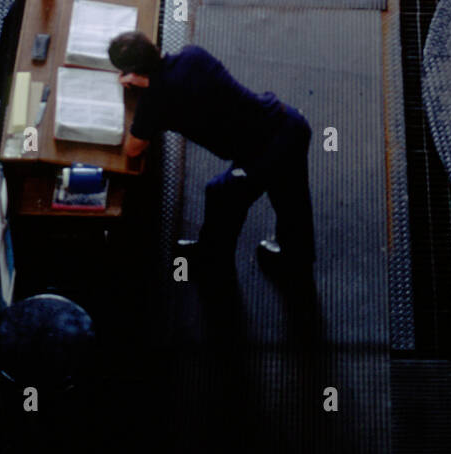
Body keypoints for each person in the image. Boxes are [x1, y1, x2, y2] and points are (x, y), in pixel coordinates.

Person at [108, 32, 315, 284]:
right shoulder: (193, 55)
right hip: (288, 123)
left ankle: (211, 259)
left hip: (262, 153)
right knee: (291, 198)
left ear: (133, 72)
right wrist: (150, 81)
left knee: (221, 195)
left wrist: (148, 91)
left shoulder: (155, 102)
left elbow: (133, 149)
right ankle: (297, 258)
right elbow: (178, 81)